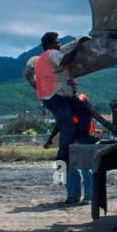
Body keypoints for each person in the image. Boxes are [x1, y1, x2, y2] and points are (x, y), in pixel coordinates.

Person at [29, 32, 94, 204]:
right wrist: (78, 47)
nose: (59, 45)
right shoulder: (52, 54)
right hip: (56, 96)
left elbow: (60, 124)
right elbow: (65, 60)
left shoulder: (40, 61)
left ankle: (74, 194)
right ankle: (86, 194)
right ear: (50, 43)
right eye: (57, 42)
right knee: (79, 157)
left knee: (74, 124)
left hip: (48, 96)